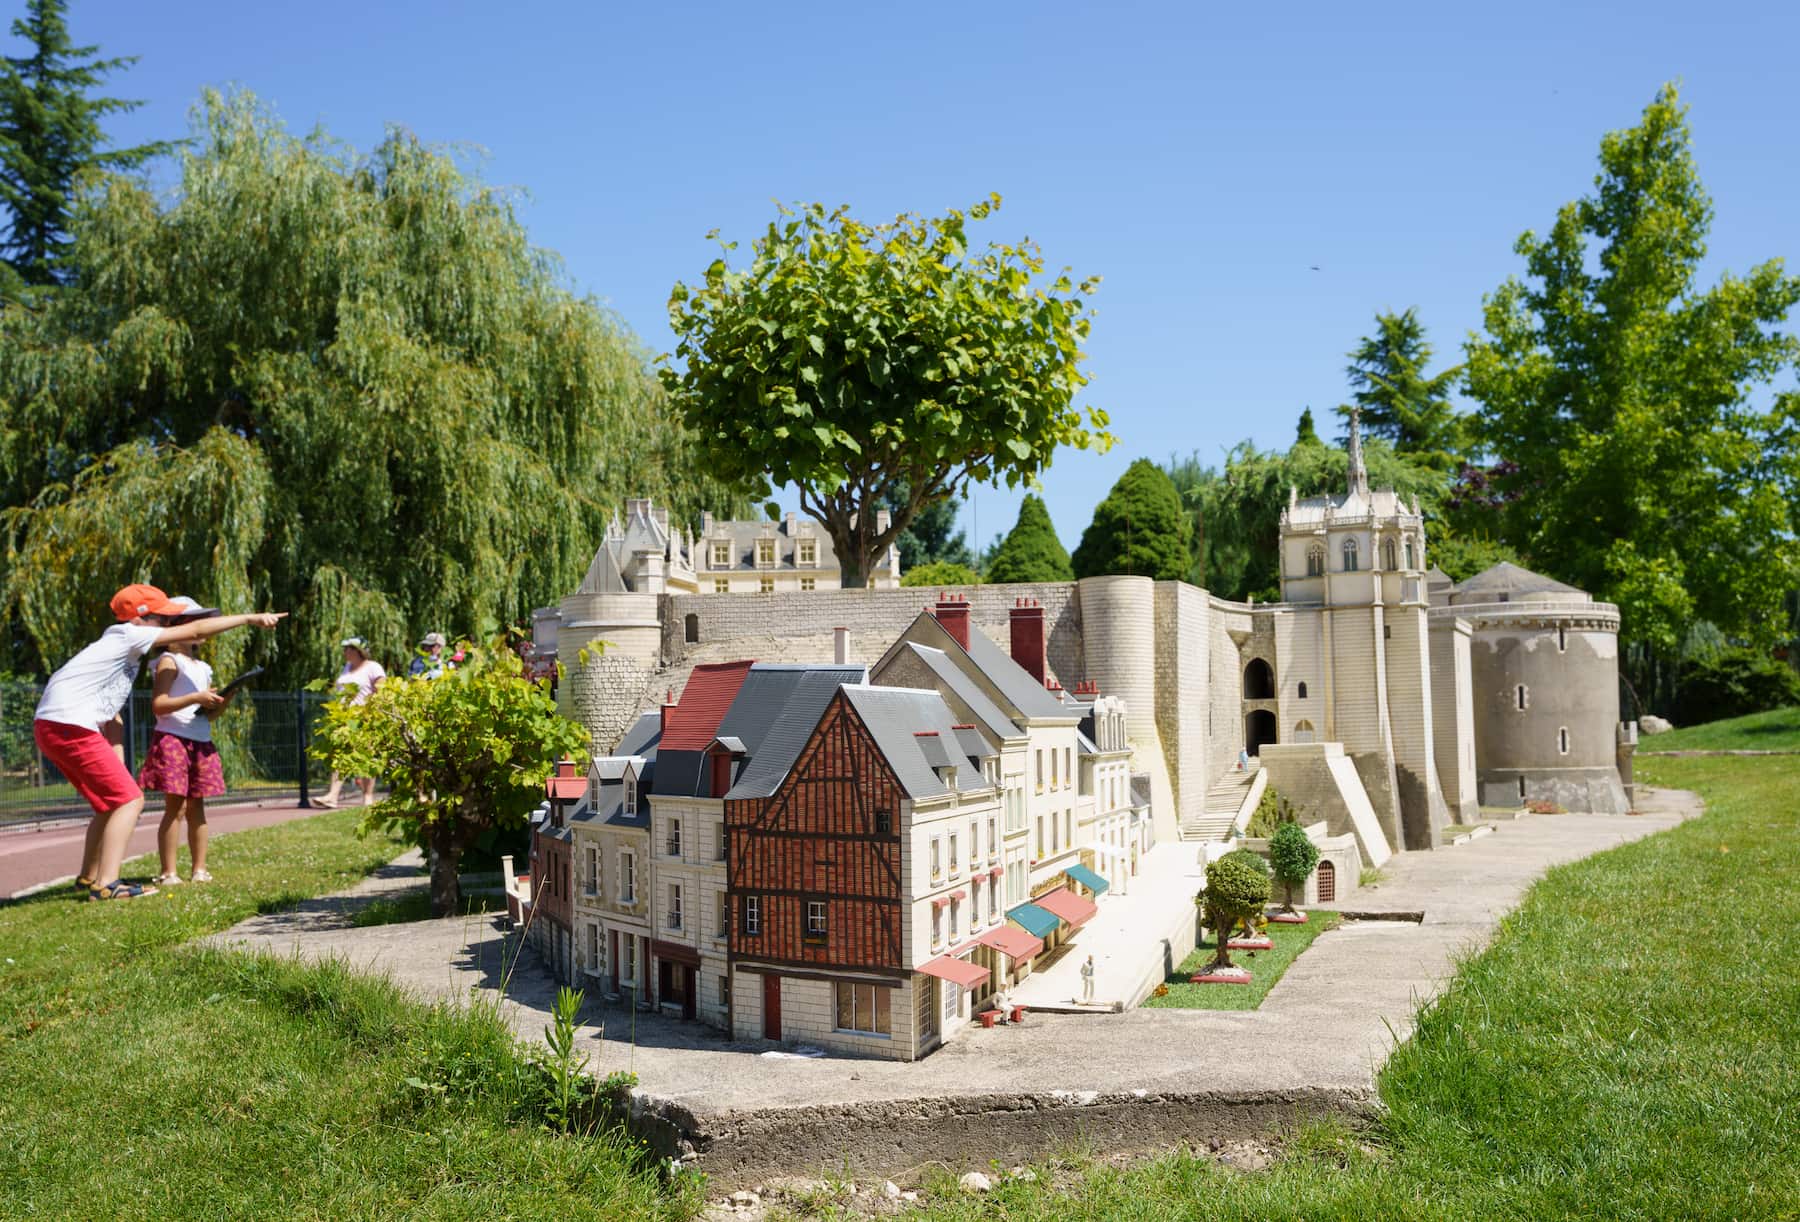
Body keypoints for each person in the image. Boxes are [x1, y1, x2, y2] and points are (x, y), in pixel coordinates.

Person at [32, 584, 285, 901]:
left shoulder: (120, 655)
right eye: (164, 621)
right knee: (129, 801)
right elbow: (197, 627)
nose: (168, 628)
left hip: (52, 724)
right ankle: (107, 886)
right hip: (68, 723)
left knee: (110, 803)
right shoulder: (126, 634)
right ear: (142, 618)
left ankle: (88, 877)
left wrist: (117, 759)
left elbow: (113, 716)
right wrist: (250, 618)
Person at [137, 597, 234, 886]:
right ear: (176, 627)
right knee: (175, 808)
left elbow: (208, 715)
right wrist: (195, 697)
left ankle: (199, 869)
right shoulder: (168, 661)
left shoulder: (203, 667)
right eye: (194, 621)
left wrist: (221, 702)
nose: (200, 628)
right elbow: (160, 704)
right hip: (173, 739)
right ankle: (169, 871)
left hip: (200, 740)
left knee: (197, 807)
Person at [316, 637, 385, 809]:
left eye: (348, 648)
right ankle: (332, 796)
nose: (344, 651)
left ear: (357, 650)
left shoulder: (373, 667)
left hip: (364, 718)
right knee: (340, 756)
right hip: (344, 718)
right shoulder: (347, 668)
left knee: (367, 757)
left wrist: (372, 714)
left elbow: (382, 692)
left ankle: (368, 796)